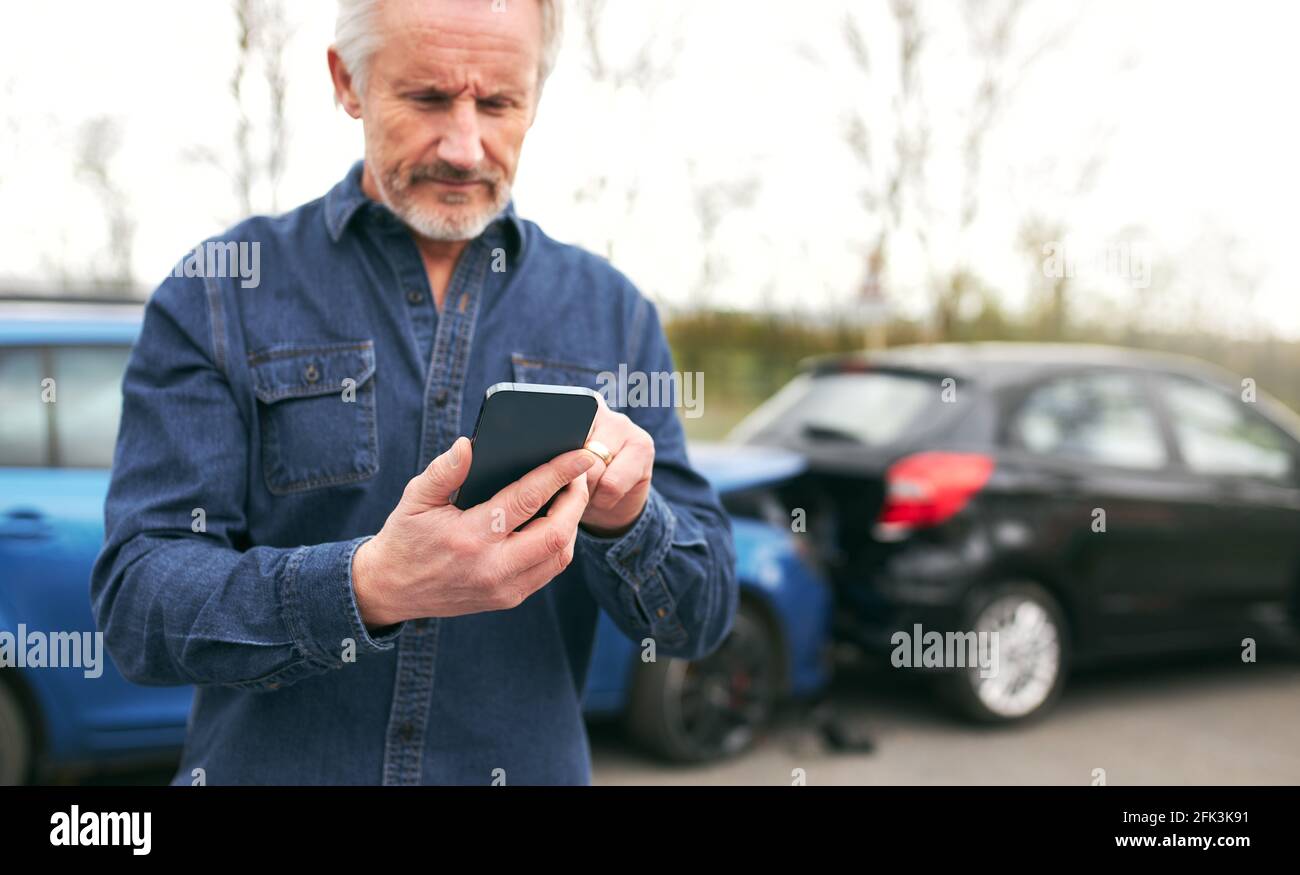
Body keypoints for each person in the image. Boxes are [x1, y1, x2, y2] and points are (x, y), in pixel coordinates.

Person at [91, 0, 737, 785]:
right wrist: (366, 586)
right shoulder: (221, 293)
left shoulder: (615, 314)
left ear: (535, 93)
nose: (465, 147)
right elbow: (138, 606)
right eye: (428, 98)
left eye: (498, 102)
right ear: (347, 80)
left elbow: (698, 618)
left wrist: (629, 518)